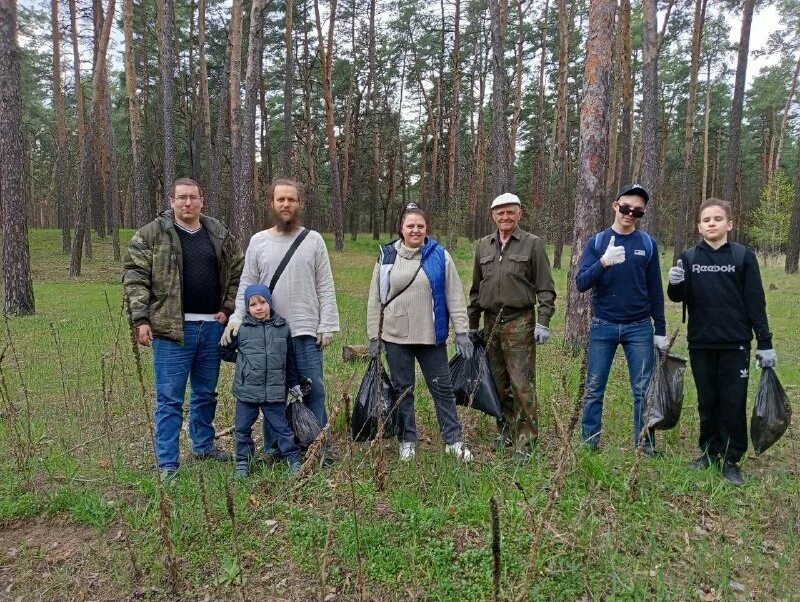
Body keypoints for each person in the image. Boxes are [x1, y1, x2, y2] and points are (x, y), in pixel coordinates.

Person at [123, 177, 244, 482]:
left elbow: (238, 272)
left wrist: (228, 309)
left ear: (202, 201)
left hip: (211, 329)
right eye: (182, 198)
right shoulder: (151, 235)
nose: (187, 203)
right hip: (170, 331)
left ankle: (203, 446)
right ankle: (167, 462)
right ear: (171, 200)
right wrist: (141, 319)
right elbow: (135, 277)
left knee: (206, 393)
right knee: (169, 399)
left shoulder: (218, 233)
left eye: (193, 197)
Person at [221, 178, 339, 464]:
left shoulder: (313, 240)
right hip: (267, 335)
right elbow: (247, 283)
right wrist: (238, 317)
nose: (286, 204)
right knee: (271, 394)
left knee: (314, 389)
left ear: (299, 204)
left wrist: (327, 324)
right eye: (280, 200)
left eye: (291, 199)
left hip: (304, 330)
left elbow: (325, 284)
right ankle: (274, 449)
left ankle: (315, 449)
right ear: (272, 204)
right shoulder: (259, 241)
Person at [667, 198, 775, 486]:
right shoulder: (688, 257)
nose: (711, 223)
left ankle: (731, 458)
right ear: (699, 225)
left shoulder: (743, 256)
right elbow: (677, 297)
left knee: (732, 401)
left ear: (730, 224)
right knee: (708, 401)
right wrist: (675, 281)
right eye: (706, 219)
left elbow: (756, 301)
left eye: (717, 219)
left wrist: (765, 342)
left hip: (735, 343)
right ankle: (709, 452)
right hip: (701, 342)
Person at [366, 203, 474, 462]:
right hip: (395, 336)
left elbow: (455, 295)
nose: (415, 230)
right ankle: (407, 440)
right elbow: (375, 298)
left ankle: (453, 440)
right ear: (401, 229)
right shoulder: (387, 256)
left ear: (427, 229)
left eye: (420, 226)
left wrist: (462, 331)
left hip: (431, 336)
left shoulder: (440, 255)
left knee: (442, 388)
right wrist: (373, 335)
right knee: (404, 390)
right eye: (410, 226)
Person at [576, 183, 668, 455]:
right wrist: (603, 262)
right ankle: (589, 444)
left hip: (639, 327)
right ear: (616, 206)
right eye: (626, 208)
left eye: (637, 212)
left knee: (642, 391)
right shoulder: (597, 242)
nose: (630, 214)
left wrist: (660, 329)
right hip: (603, 326)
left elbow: (655, 290)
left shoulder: (647, 244)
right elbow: (581, 283)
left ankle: (645, 446)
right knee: (594, 389)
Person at [467, 193, 556, 457]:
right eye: (500, 213)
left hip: (520, 322)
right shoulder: (484, 245)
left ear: (520, 213)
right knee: (497, 382)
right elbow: (475, 288)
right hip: (490, 322)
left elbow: (546, 288)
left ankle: (526, 441)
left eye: (510, 212)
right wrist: (472, 325)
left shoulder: (532, 245)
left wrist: (544, 322)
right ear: (492, 216)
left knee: (521, 383)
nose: (505, 217)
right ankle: (505, 432)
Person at [221, 284, 304, 478]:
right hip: (247, 391)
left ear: (269, 303)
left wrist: (294, 383)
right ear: (247, 307)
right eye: (252, 304)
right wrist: (243, 361)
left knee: (281, 428)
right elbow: (223, 351)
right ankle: (243, 462)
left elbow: (289, 359)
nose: (258, 307)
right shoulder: (241, 328)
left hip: (274, 391)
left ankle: (293, 459)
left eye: (262, 302)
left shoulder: (282, 327)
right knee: (242, 429)